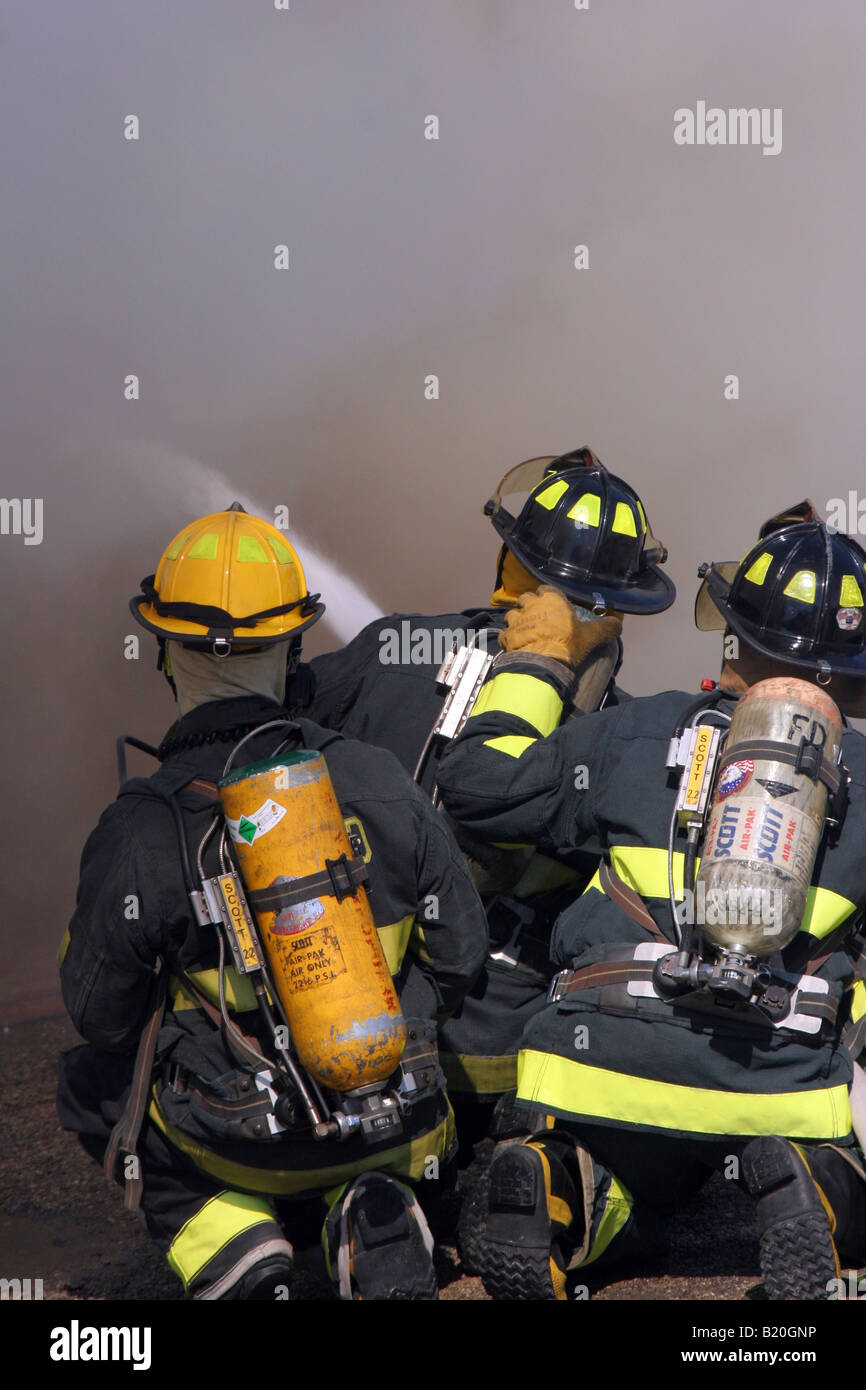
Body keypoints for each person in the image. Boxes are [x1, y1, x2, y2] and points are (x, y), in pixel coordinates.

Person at [57, 503, 489, 1301]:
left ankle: (235, 1244)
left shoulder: (140, 826)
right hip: (392, 1118)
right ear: (295, 650)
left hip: (234, 1138)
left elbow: (101, 1014)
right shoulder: (381, 780)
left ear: (162, 653)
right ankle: (379, 1207)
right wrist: (395, 1031)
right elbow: (462, 954)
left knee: (87, 1082)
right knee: (398, 1112)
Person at [436, 505, 866, 1300]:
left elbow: (476, 790)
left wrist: (538, 665)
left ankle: (562, 1181)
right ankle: (813, 1184)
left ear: (734, 631)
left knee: (635, 1181)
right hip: (772, 1086)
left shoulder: (635, 730)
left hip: (595, 1066)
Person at [301, 448, 675, 1116]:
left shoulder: (392, 649)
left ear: (511, 559)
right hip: (504, 1073)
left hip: (336, 1028)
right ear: (618, 611)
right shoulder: (626, 741)